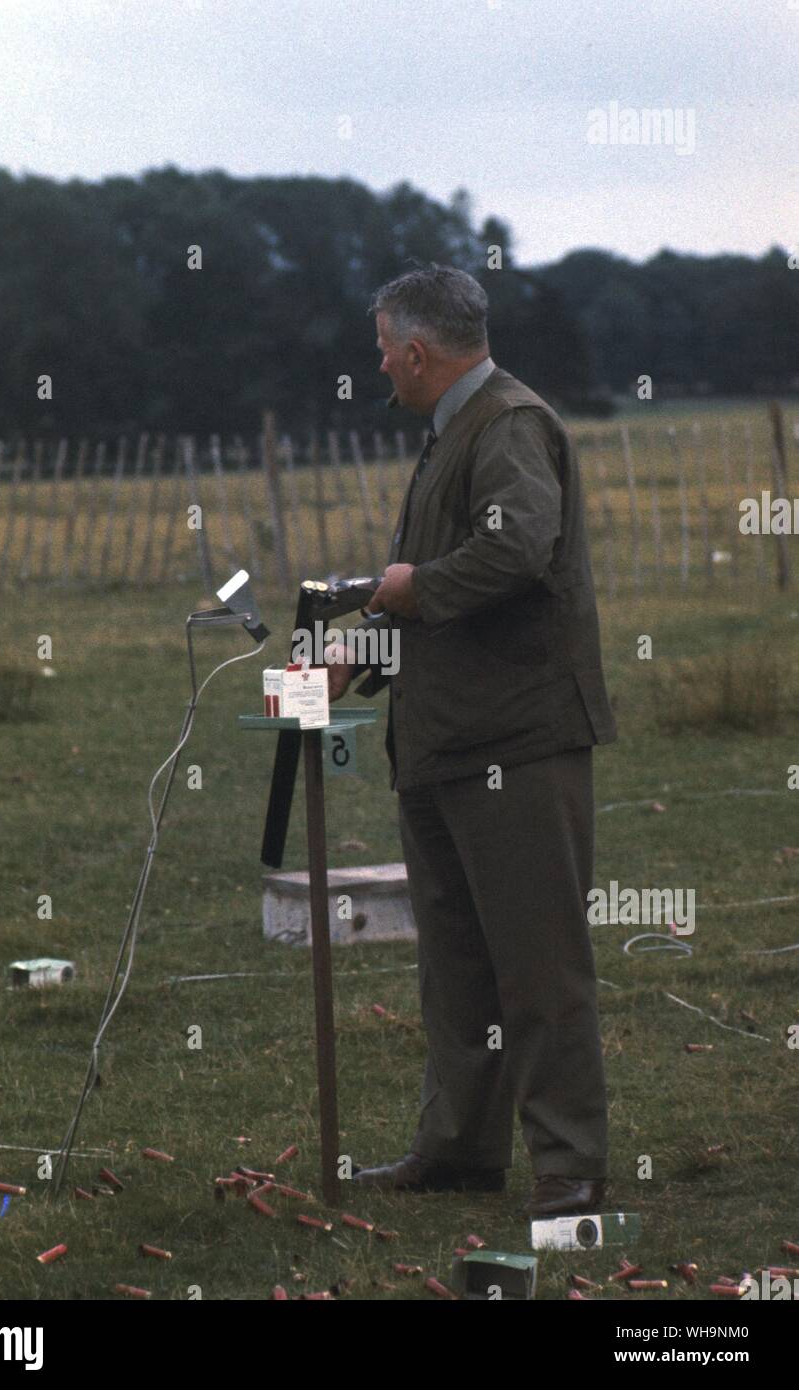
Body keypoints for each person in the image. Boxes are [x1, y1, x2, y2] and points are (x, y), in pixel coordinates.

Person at [326, 263, 617, 1217]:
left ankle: (569, 1168)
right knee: (455, 967)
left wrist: (407, 589)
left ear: (415, 351)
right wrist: (345, 663)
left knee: (538, 962)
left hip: (517, 743)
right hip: (443, 743)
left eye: (381, 351)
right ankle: (457, 1151)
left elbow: (512, 551)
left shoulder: (508, 425)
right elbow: (430, 594)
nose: (378, 368)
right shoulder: (453, 433)